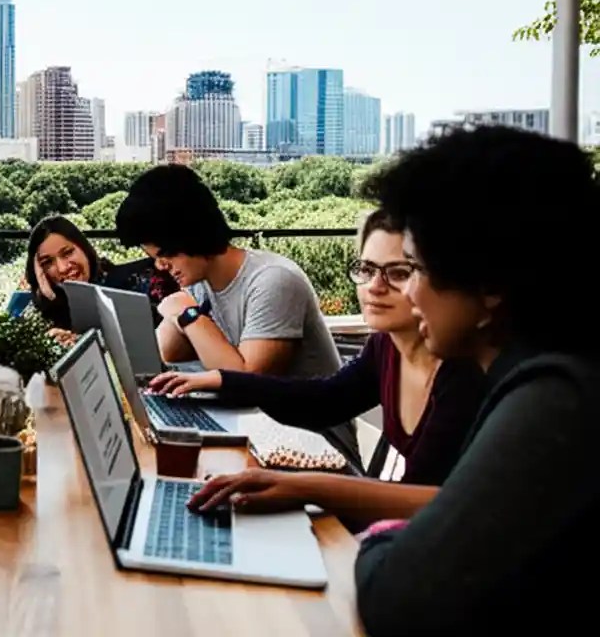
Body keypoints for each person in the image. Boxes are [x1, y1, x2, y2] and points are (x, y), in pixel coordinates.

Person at [349, 126, 600, 634]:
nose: (409, 291)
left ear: (488, 286)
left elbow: (400, 598)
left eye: (415, 268)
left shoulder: (557, 396)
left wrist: (380, 536)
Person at [152, 209, 484, 521]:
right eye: (366, 270)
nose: (374, 287)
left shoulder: (464, 374)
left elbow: (421, 502)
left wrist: (304, 488)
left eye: (398, 272)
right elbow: (325, 400)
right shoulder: (386, 346)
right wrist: (222, 381)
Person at [115, 164, 341, 379]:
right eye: (154, 258)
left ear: (191, 235)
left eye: (166, 255)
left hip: (301, 418)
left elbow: (247, 381)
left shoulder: (273, 281)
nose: (160, 266)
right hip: (254, 416)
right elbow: (170, 352)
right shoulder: (199, 282)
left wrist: (189, 315)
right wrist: (183, 316)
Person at [24, 215, 174, 343]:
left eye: (68, 253)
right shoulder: (51, 306)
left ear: (83, 247)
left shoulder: (133, 280)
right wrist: (44, 294)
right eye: (47, 263)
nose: (63, 268)